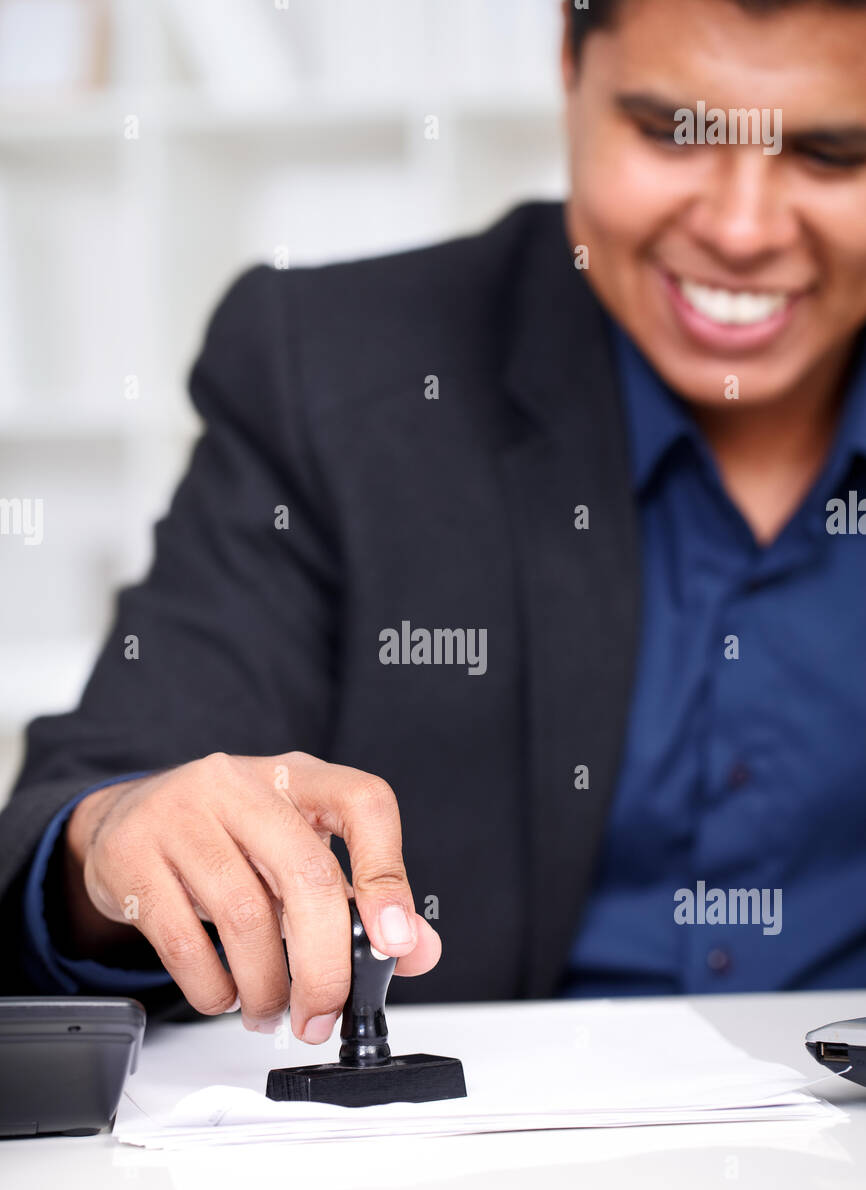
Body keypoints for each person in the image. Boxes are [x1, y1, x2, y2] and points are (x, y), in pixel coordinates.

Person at [2, 0, 865, 1041]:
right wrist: (117, 841)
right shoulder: (328, 372)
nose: (740, 228)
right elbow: (89, 803)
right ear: (564, 62)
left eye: (832, 153)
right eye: (669, 132)